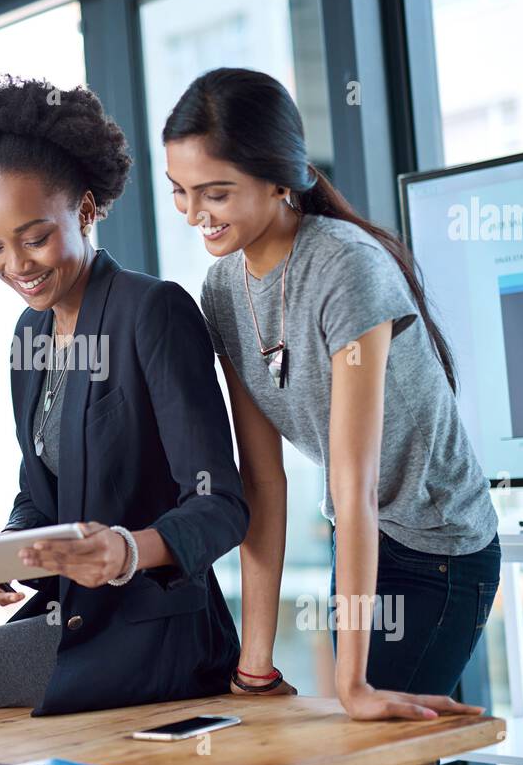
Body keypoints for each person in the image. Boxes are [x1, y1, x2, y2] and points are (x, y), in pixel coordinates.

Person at [0, 75, 249, 721]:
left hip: (158, 633)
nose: (17, 263)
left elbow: (221, 505)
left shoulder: (152, 311)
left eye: (34, 236)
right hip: (77, 621)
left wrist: (124, 550)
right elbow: (41, 495)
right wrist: (7, 550)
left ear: (86, 211)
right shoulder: (29, 333)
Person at [162, 68, 500, 722]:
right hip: (364, 535)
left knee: (377, 749)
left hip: (440, 549)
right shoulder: (223, 290)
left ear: (280, 178)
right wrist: (254, 664)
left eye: (216, 192)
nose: (195, 213)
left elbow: (355, 482)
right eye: (180, 191)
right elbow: (263, 479)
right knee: (369, 753)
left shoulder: (347, 265)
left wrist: (353, 685)